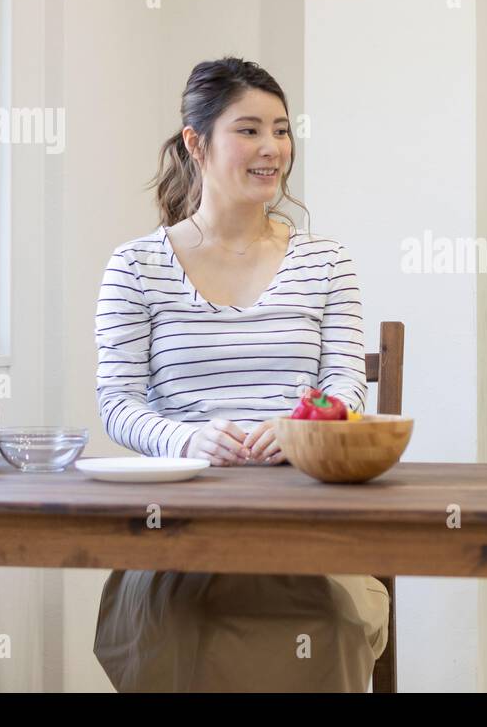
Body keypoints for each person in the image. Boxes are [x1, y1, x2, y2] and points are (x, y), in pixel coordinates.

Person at [91, 56, 389, 691]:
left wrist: (300, 432)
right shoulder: (136, 266)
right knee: (172, 623)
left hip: (305, 516)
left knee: (333, 619)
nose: (272, 149)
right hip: (178, 522)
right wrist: (187, 440)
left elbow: (344, 387)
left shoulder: (327, 262)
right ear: (197, 143)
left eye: (281, 130)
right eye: (249, 130)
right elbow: (116, 401)